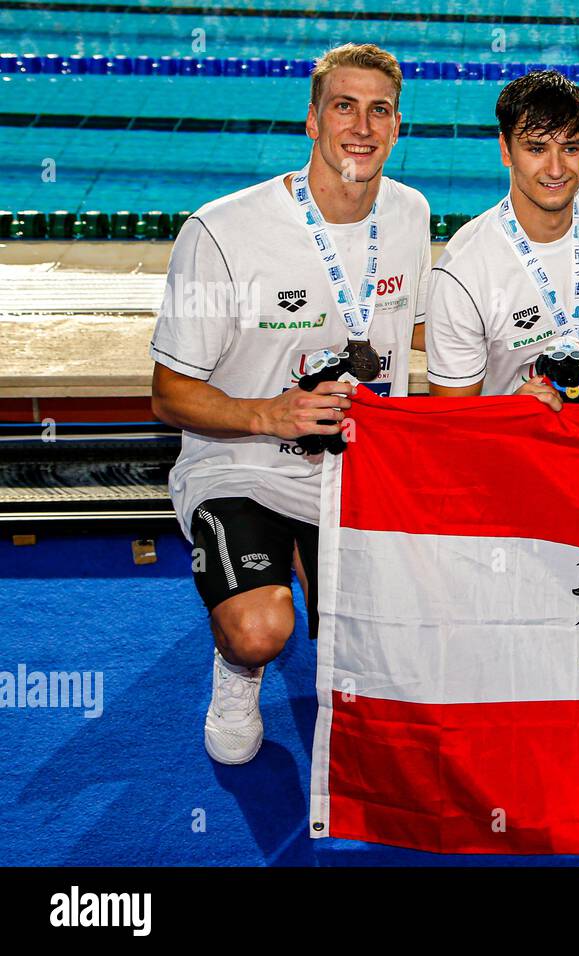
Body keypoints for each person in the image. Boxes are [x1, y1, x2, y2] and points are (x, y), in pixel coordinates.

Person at [149, 43, 432, 765]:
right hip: (243, 464)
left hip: (360, 475)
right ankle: (237, 673)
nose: (361, 127)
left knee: (413, 636)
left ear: (398, 126)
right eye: (344, 106)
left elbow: (424, 333)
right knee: (259, 629)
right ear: (312, 121)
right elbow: (167, 393)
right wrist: (266, 414)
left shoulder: (410, 215)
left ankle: (315, 573)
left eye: (378, 110)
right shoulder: (224, 232)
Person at [425, 70, 579, 411]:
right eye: (536, 148)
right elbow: (452, 421)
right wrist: (512, 408)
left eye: (570, 147)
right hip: (516, 449)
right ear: (506, 150)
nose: (555, 169)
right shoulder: (464, 273)